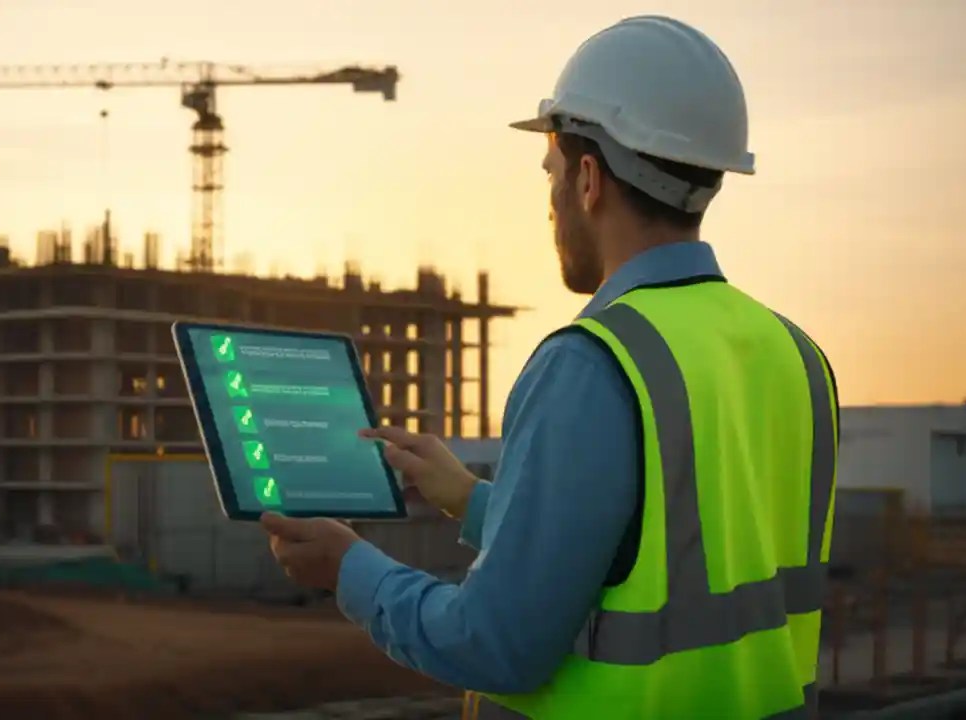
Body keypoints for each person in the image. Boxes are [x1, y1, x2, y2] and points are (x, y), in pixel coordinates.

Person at [259, 14, 839, 719]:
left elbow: (495, 643)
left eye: (552, 172)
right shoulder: (797, 354)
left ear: (588, 180)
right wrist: (472, 499)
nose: (551, 202)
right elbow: (670, 549)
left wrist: (351, 570)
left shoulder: (593, 364)